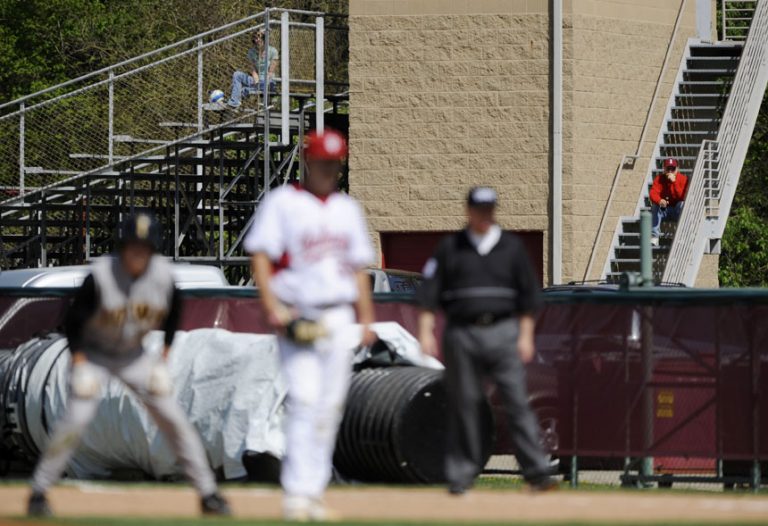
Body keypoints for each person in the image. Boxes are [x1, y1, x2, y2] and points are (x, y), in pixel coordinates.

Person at [27, 213, 231, 517]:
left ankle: (207, 494)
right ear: (121, 248)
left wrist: (164, 356)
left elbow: (174, 315)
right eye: (132, 247)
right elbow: (73, 321)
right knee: (76, 419)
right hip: (95, 354)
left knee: (173, 419)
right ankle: (39, 492)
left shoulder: (162, 277)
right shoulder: (101, 276)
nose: (138, 254)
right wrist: (80, 362)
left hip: (133, 356)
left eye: (144, 249)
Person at [244, 129, 376, 521]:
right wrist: (271, 306)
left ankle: (313, 491)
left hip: (337, 315)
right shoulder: (283, 203)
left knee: (330, 406)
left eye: (335, 163)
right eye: (323, 162)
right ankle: (297, 494)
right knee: (303, 399)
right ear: (308, 161)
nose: (329, 170)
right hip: (298, 311)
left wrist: (366, 317)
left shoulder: (346, 209)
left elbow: (357, 269)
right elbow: (261, 256)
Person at [416, 187, 557, 495]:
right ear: (467, 210)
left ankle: (537, 474)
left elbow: (529, 298)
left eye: (489, 208)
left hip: (504, 332)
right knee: (464, 403)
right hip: (462, 333)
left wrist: (526, 336)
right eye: (479, 208)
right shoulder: (451, 247)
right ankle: (460, 477)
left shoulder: (511, 248)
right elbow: (428, 294)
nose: (484, 214)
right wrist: (426, 331)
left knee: (518, 402)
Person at [211, 28, 279, 111]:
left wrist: (261, 82)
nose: (257, 40)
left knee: (244, 90)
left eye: (259, 38)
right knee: (237, 74)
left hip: (268, 82)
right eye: (255, 39)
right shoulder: (251, 52)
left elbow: (270, 72)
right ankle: (234, 102)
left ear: (264, 38)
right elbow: (252, 70)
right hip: (256, 81)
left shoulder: (272, 51)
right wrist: (256, 79)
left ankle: (236, 98)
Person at [650, 157, 688, 247]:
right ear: (664, 169)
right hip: (665, 210)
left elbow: (682, 197)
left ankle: (682, 236)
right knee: (655, 206)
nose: (670, 171)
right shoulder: (659, 179)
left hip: (677, 211)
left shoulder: (683, 179)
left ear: (677, 169)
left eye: (673, 169)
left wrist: (674, 182)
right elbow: (653, 193)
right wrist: (660, 200)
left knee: (682, 204)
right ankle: (655, 236)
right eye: (668, 169)